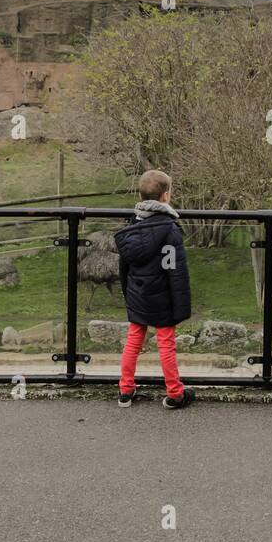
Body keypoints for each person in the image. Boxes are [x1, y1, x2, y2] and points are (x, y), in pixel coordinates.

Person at [113, 169, 195, 410]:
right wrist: (181, 306)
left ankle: (125, 390)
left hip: (137, 292)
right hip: (162, 296)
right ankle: (175, 393)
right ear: (166, 196)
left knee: (134, 339)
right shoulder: (169, 230)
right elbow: (175, 270)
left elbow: (124, 266)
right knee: (166, 343)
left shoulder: (131, 225)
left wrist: (128, 293)